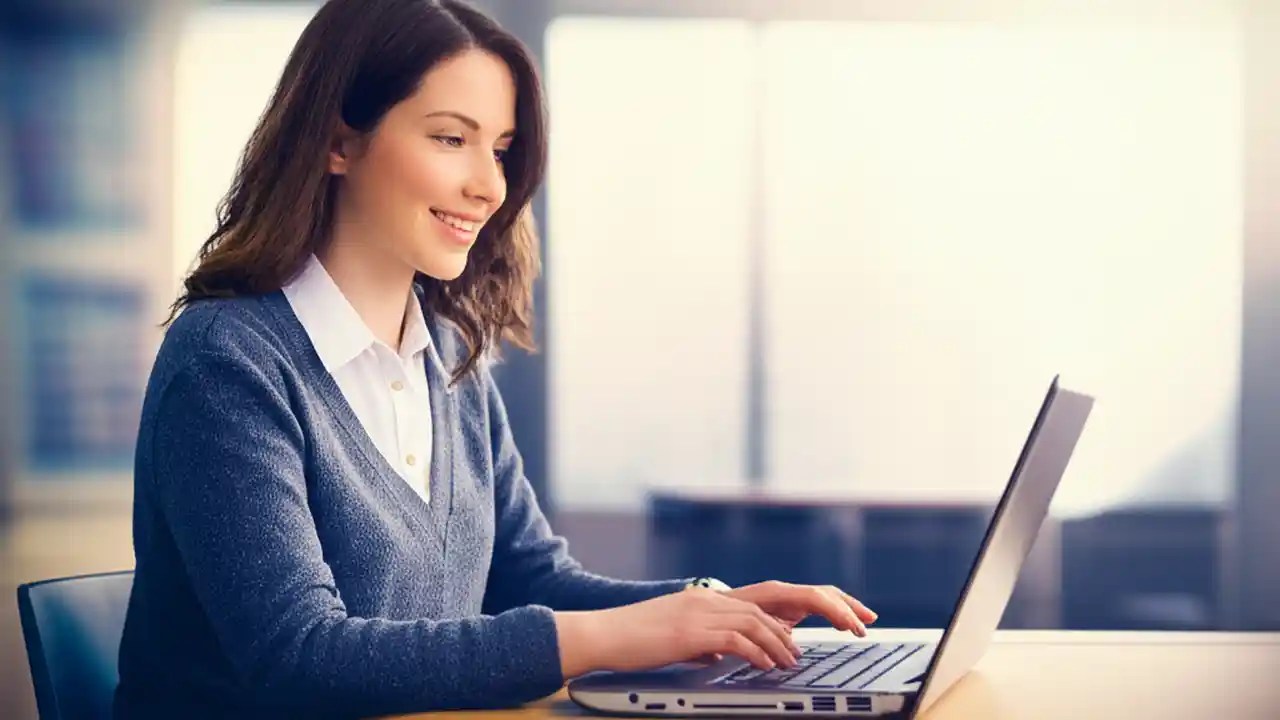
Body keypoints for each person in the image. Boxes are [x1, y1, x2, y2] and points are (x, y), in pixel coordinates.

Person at [113, 0, 878, 716]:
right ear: (337, 141)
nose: (488, 186)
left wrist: (713, 607)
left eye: (502, 149)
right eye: (451, 138)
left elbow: (529, 579)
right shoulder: (226, 361)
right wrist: (616, 638)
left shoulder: (448, 358)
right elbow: (300, 656)